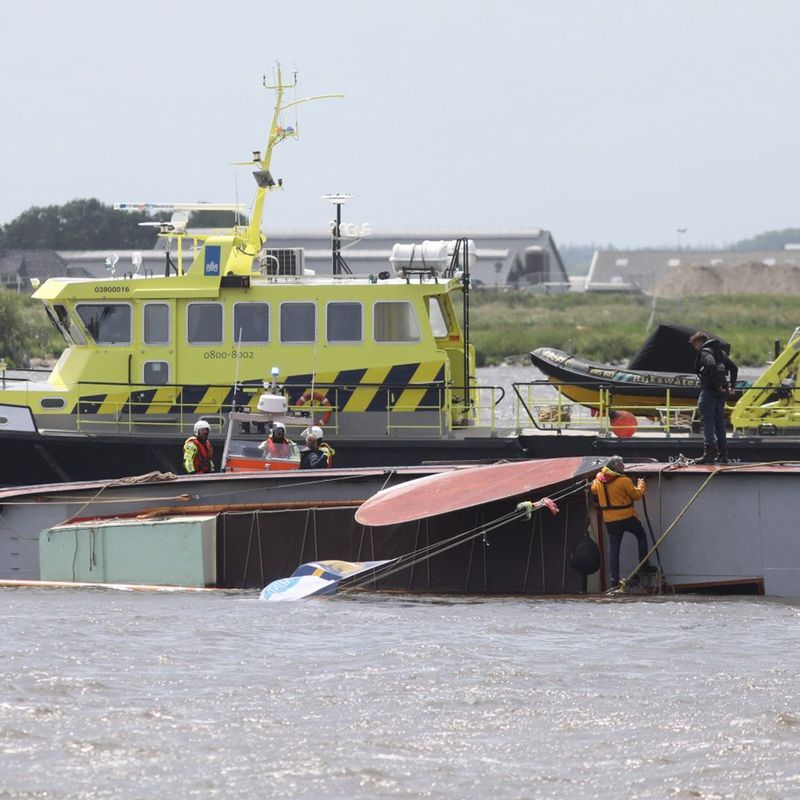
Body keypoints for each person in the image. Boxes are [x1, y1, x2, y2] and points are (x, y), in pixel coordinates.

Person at [591, 455, 657, 590]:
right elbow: (637, 495)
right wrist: (641, 483)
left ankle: (614, 580)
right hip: (626, 517)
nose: (624, 467)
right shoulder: (624, 481)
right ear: (616, 467)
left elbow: (593, 490)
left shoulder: (598, 480)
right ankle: (643, 565)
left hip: (609, 520)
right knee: (641, 536)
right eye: (621, 465)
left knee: (614, 548)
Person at [689, 331, 738, 464]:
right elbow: (734, 368)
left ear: (699, 342)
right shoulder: (720, 353)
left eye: (695, 345)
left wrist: (716, 385)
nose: (695, 348)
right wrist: (731, 386)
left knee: (708, 422)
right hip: (722, 393)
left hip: (710, 391)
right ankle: (723, 455)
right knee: (719, 423)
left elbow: (710, 365)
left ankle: (708, 454)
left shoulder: (705, 352)